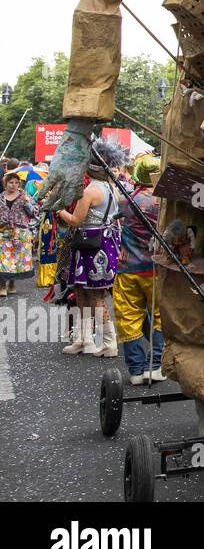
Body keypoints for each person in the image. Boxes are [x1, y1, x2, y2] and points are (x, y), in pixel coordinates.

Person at [55, 139, 127, 355]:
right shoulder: (112, 188)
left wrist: (58, 209)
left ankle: (108, 343)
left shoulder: (90, 191)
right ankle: (83, 340)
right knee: (81, 291)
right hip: (102, 243)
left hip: (91, 244)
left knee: (95, 296)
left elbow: (76, 220)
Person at [112, 156, 166, 384]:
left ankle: (135, 370)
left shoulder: (127, 201)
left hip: (128, 270)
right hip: (156, 269)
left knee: (129, 318)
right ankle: (154, 366)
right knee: (159, 317)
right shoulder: (163, 203)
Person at [0, 167, 38, 295]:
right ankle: (2, 286)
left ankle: (11, 283)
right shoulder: (0, 197)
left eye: (16, 182)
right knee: (3, 259)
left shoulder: (24, 196)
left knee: (16, 260)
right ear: (5, 183)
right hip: (3, 231)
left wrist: (27, 203)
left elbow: (34, 213)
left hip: (20, 233)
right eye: (11, 182)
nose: (14, 185)